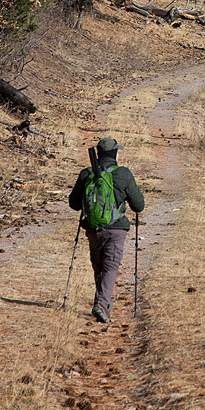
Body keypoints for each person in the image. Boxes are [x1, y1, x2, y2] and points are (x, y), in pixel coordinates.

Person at [69, 136, 144, 323]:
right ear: (115, 154)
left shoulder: (86, 174)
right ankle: (101, 305)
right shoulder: (124, 174)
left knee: (99, 266)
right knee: (110, 266)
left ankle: (102, 303)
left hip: (93, 229)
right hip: (116, 229)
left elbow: (74, 204)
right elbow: (138, 205)